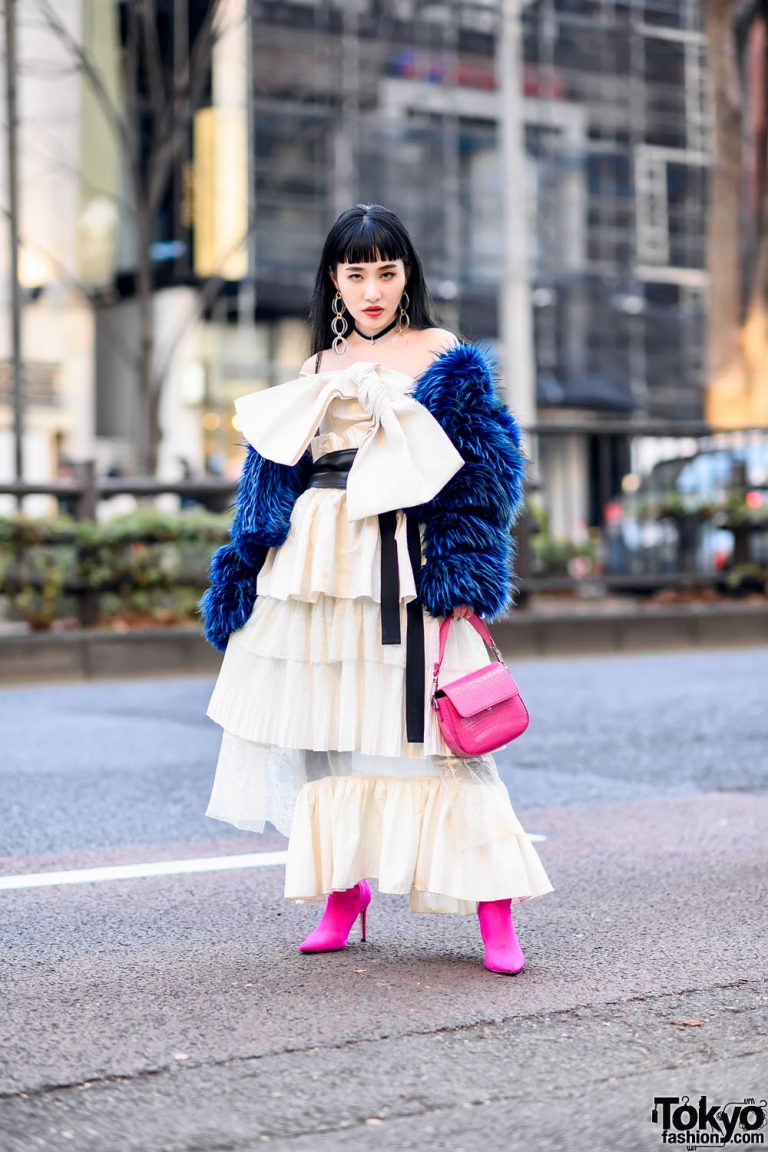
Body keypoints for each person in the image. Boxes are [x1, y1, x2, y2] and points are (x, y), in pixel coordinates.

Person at [200, 203, 552, 974]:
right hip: (315, 560)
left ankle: (494, 909)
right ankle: (342, 891)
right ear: (333, 279)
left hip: (406, 556)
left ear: (406, 277)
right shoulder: (315, 369)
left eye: (385, 271)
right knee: (324, 729)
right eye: (355, 272)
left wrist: (463, 573)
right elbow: (269, 483)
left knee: (435, 738)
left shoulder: (442, 353)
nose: (371, 288)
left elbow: (484, 479)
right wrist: (245, 572)